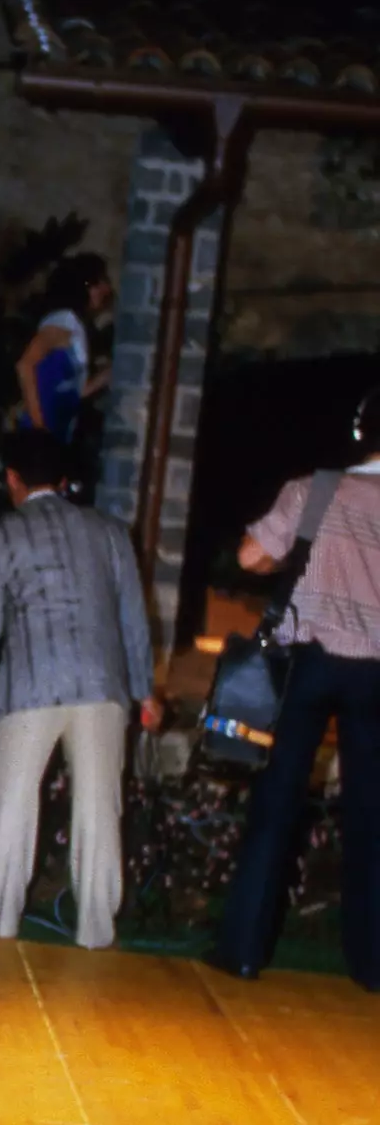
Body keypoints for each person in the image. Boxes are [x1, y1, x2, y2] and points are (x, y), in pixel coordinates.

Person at [0, 429, 158, 950]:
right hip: (103, 688)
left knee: (12, 805)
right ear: (61, 479)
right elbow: (133, 621)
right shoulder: (109, 531)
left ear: (13, 478)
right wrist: (144, 691)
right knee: (101, 810)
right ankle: (96, 931)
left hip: (31, 687)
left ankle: (0, 920)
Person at [209, 386, 380, 993]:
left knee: (277, 803)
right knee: (372, 816)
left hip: (308, 661)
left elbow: (252, 556)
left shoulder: (316, 490)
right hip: (375, 671)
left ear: (360, 429)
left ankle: (245, 953)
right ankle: (371, 965)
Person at [14, 252, 113, 444]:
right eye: (96, 283)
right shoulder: (63, 322)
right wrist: (38, 428)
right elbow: (25, 365)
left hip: (58, 434)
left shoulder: (77, 327)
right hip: (40, 438)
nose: (105, 288)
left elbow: (77, 390)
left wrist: (106, 375)